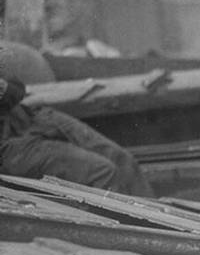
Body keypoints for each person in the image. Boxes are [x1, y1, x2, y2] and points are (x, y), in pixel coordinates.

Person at [0, 75, 154, 197]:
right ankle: (121, 232)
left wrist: (5, 88)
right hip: (9, 148)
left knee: (122, 159)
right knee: (103, 172)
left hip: (30, 116)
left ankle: (158, 225)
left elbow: (17, 88)